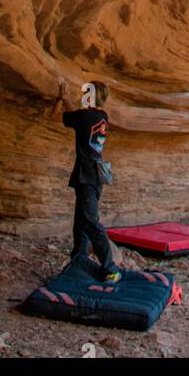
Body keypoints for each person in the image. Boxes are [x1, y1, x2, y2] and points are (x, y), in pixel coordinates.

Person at [51, 77, 120, 280]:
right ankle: (78, 259)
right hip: (97, 173)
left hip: (87, 174)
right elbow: (76, 114)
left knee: (90, 221)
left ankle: (110, 268)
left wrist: (63, 98)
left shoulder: (85, 117)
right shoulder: (102, 116)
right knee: (81, 219)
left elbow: (57, 117)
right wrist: (67, 100)